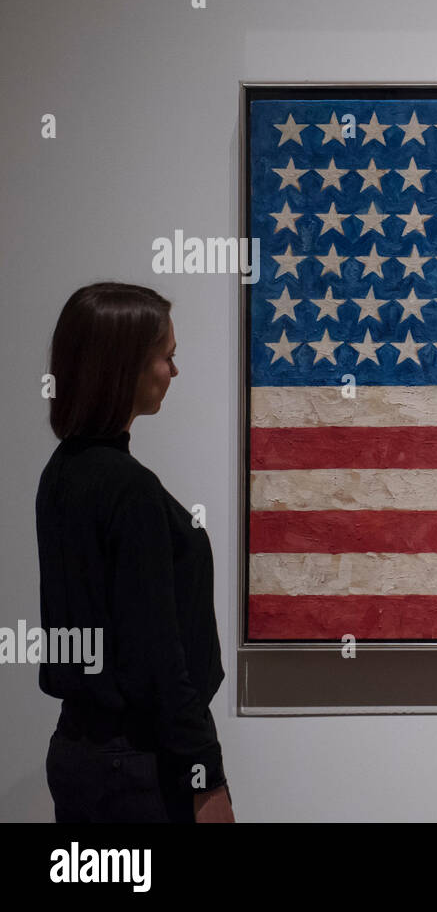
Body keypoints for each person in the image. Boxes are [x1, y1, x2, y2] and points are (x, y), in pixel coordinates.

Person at [37, 282, 234, 822]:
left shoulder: (61, 474)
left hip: (81, 752)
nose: (175, 372)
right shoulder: (128, 489)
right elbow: (157, 655)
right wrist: (206, 777)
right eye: (167, 357)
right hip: (139, 765)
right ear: (125, 366)